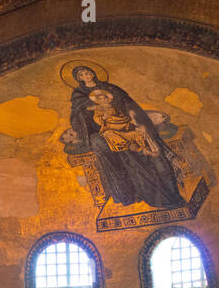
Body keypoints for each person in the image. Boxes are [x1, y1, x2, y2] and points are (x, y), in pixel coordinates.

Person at [67, 66, 184, 209]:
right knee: (128, 155)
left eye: (88, 72)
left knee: (154, 151)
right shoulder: (79, 94)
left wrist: (135, 119)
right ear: (79, 78)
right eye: (83, 74)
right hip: (108, 130)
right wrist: (93, 112)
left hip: (126, 123)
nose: (87, 75)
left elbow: (128, 104)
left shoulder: (110, 87)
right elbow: (77, 116)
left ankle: (172, 195)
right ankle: (149, 195)